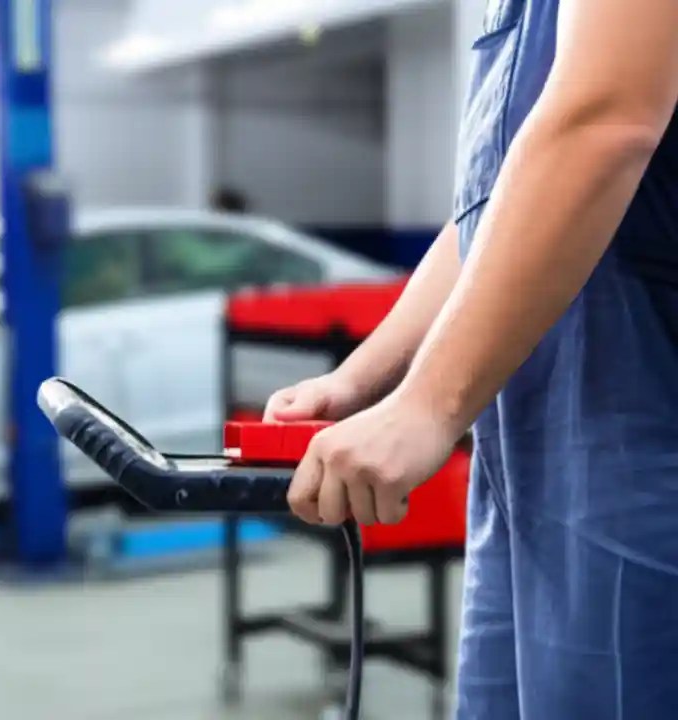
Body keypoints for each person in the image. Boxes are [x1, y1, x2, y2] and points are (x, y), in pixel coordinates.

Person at [263, 1, 678, 717]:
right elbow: (491, 215)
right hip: (533, 474)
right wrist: (367, 379)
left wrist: (429, 405)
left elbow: (608, 120)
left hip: (643, 453)